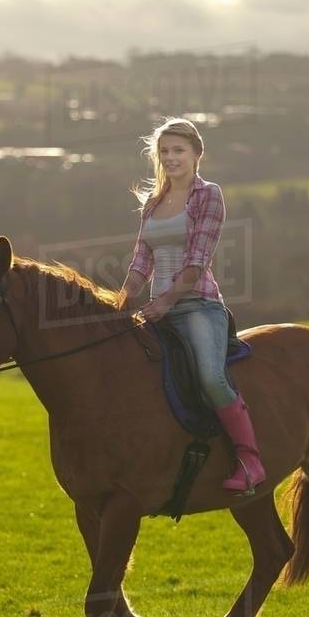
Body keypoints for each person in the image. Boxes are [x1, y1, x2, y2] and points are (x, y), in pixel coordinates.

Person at [118, 117, 266, 495]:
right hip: (156, 307)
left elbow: (197, 262)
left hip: (197, 304)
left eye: (178, 150)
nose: (170, 158)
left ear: (197, 154)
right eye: (164, 151)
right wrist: (120, 300)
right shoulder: (153, 202)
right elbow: (141, 262)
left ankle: (249, 461)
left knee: (210, 377)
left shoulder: (209, 195)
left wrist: (166, 301)